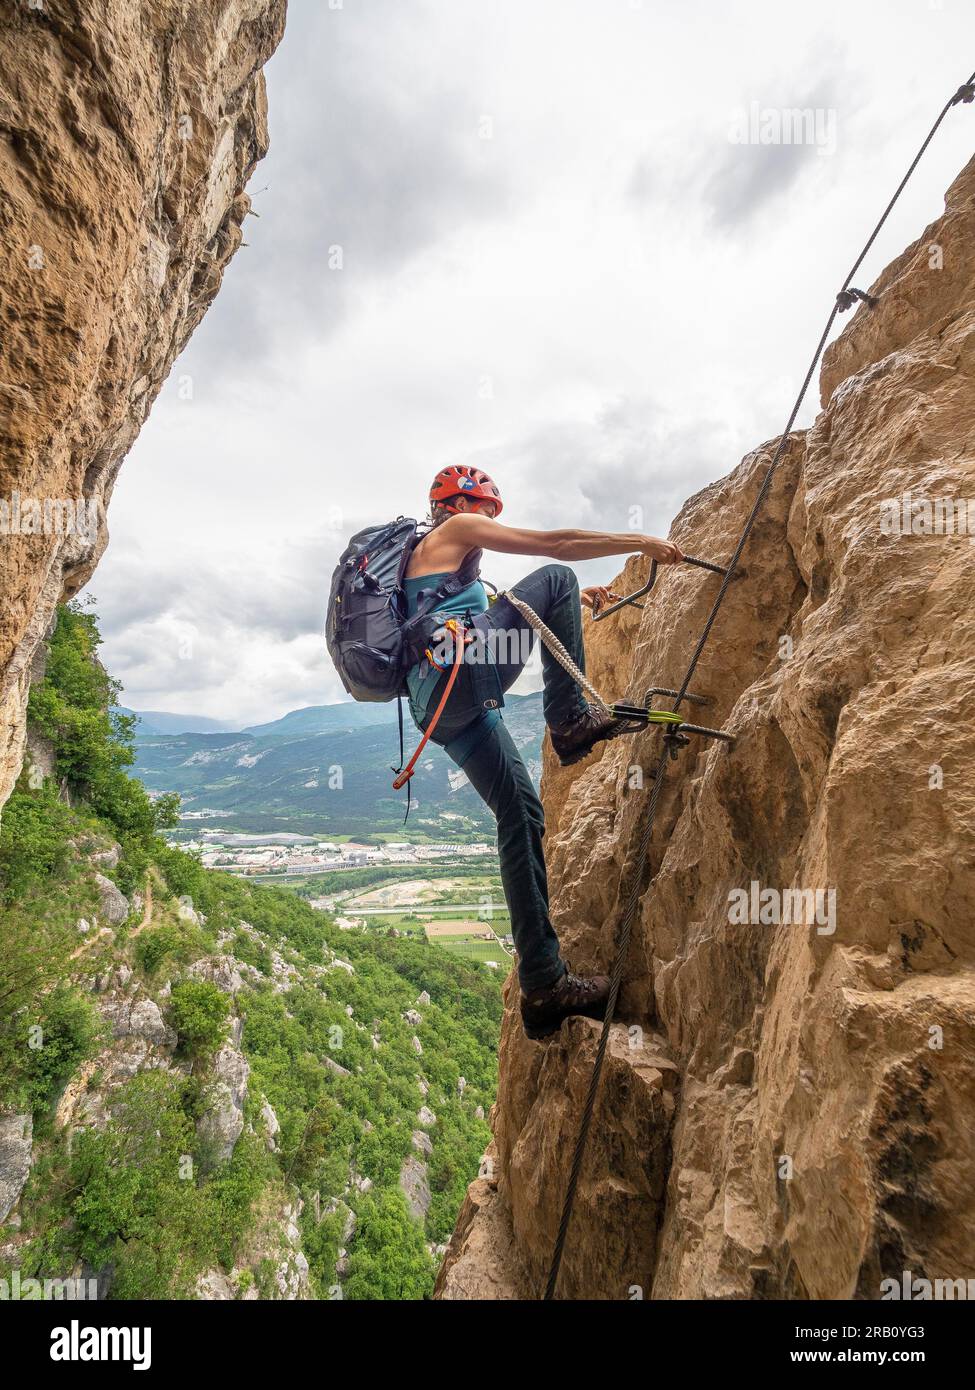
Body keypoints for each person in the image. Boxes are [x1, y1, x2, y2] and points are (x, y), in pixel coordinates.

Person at [403, 464, 683, 1039]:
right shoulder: (452, 531)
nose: (489, 522)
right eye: (487, 511)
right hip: (460, 680)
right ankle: (571, 722)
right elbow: (556, 545)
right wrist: (643, 542)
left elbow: (499, 617)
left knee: (522, 813)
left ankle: (543, 986)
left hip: (445, 706)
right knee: (554, 574)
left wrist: (574, 603)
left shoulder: (441, 573)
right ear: (461, 504)